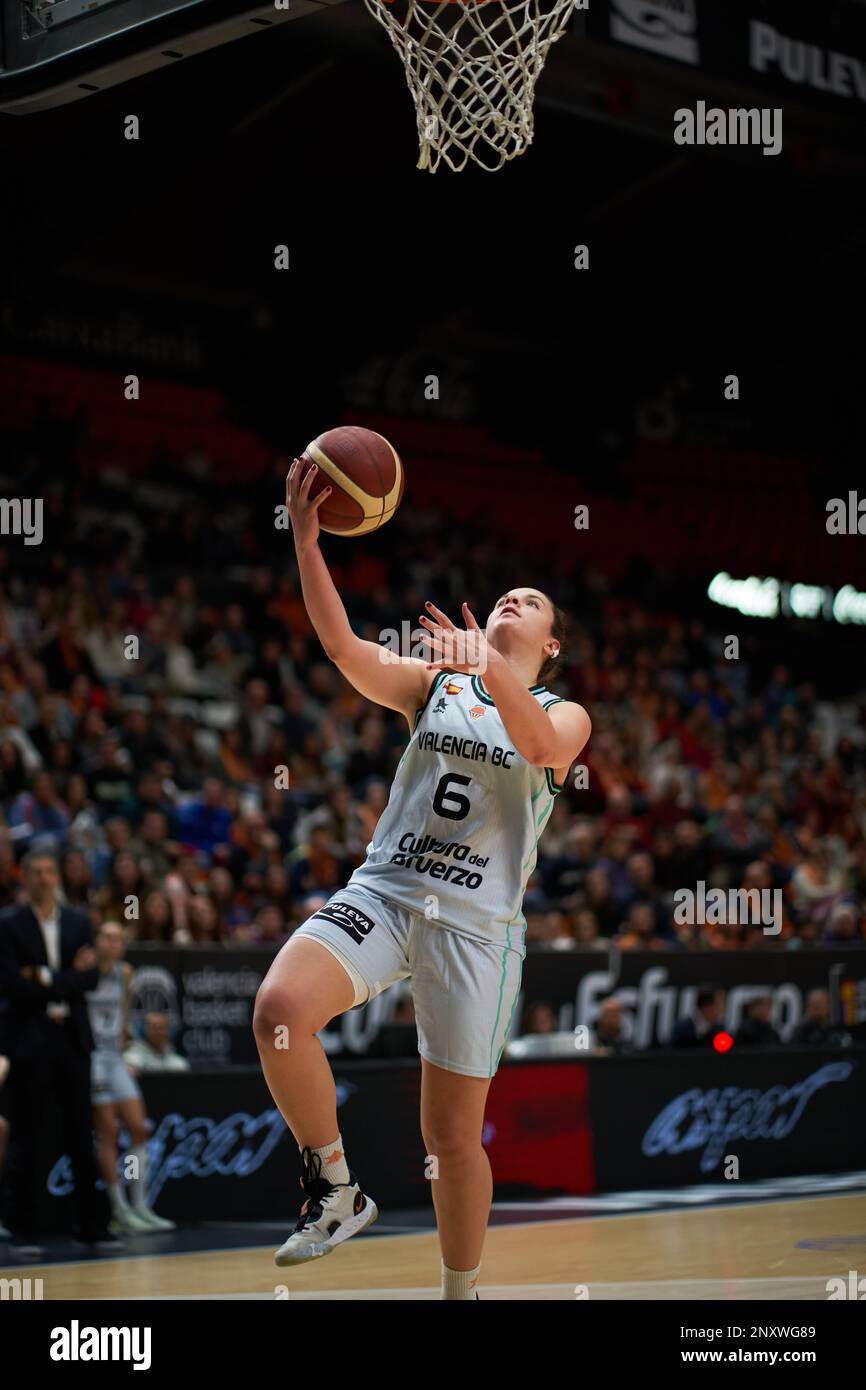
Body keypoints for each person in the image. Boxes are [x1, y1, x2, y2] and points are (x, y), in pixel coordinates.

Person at [253, 458, 591, 1300]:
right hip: (389, 892)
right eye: (506, 594)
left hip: (476, 925)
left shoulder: (563, 713)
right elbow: (343, 648)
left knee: (449, 1137)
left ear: (551, 644)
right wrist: (306, 542)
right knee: (279, 1012)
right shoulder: (438, 680)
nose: (513, 600)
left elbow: (540, 748)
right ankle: (335, 1189)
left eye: (531, 601)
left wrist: (492, 670)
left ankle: (459, 1293)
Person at [0, 850, 119, 1253]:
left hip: (71, 1039)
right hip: (29, 1041)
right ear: (24, 877)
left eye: (49, 871)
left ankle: (91, 1226)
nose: (43, 877)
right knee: (26, 1134)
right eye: (35, 872)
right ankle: (20, 1227)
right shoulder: (9, 923)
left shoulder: (78, 921)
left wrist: (44, 976)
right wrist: (64, 978)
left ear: (57, 877)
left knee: (80, 1134)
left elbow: (90, 980)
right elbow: (10, 985)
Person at [87, 921, 175, 1233]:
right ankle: (118, 1209)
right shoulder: (84, 971)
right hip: (92, 1059)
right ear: (97, 941)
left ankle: (139, 1205)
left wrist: (125, 1053)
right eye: (107, 937)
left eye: (118, 939)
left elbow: (123, 1019)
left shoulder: (125, 973)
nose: (112, 943)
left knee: (138, 1128)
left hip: (114, 1057)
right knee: (108, 1131)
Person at [123, 1012, 190, 1073]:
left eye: (161, 1027)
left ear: (169, 1031)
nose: (158, 1031)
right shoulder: (131, 1059)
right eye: (153, 1027)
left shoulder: (178, 1063)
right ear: (144, 1029)